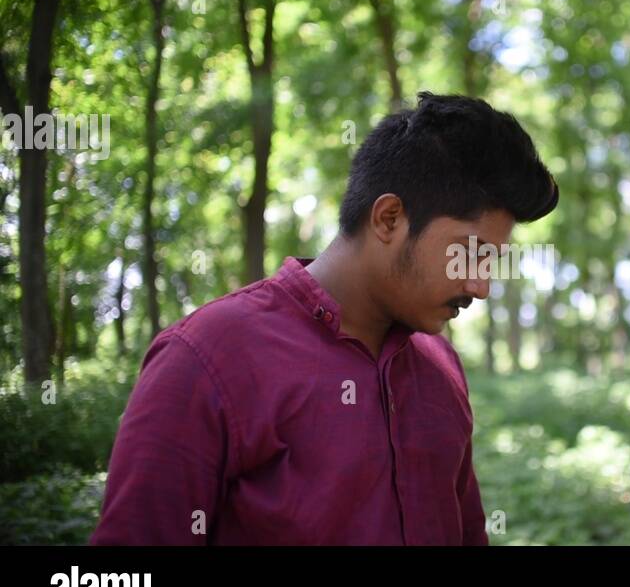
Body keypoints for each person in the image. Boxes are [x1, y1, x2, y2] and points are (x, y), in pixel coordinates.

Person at [90, 91, 559, 545]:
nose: (481, 286)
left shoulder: (440, 368)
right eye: (470, 254)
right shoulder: (207, 358)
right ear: (390, 218)